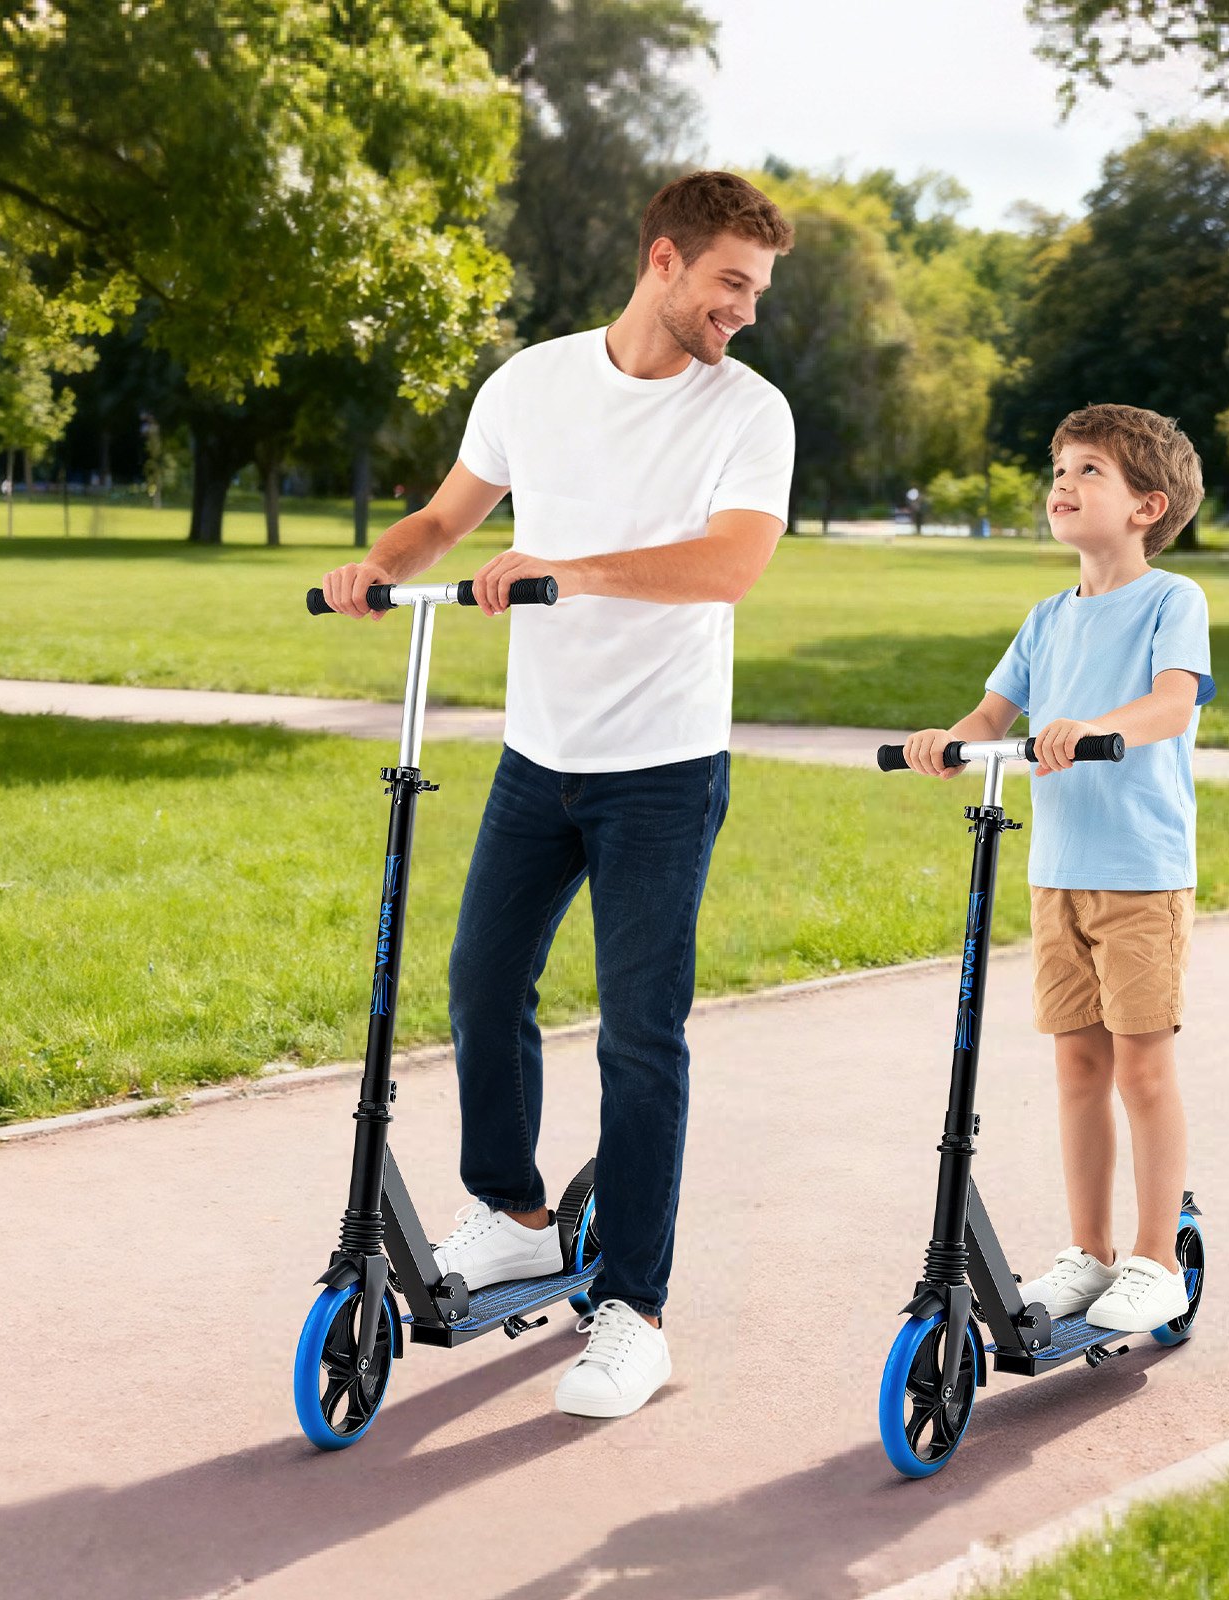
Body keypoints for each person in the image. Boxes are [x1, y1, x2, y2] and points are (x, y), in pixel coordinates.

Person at [318, 171, 795, 1418]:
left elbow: (731, 566)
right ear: (662, 262)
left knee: (642, 1034)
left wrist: (570, 570)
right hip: (543, 753)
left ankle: (634, 1310)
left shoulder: (749, 412)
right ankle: (520, 1214)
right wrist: (380, 566)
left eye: (756, 290)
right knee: (481, 981)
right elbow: (443, 515)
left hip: (664, 767)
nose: (742, 310)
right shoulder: (531, 381)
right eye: (729, 283)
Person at [900, 403, 1214, 1334]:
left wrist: (1098, 730)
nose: (1063, 485)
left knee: (1142, 1072)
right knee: (1078, 1067)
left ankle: (1157, 1260)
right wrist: (944, 743)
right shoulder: (1045, 620)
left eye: (1089, 472)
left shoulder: (1171, 601)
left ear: (1147, 506)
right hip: (1058, 873)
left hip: (1142, 875)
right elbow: (991, 717)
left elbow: (1172, 704)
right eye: (1062, 470)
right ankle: (1090, 1253)